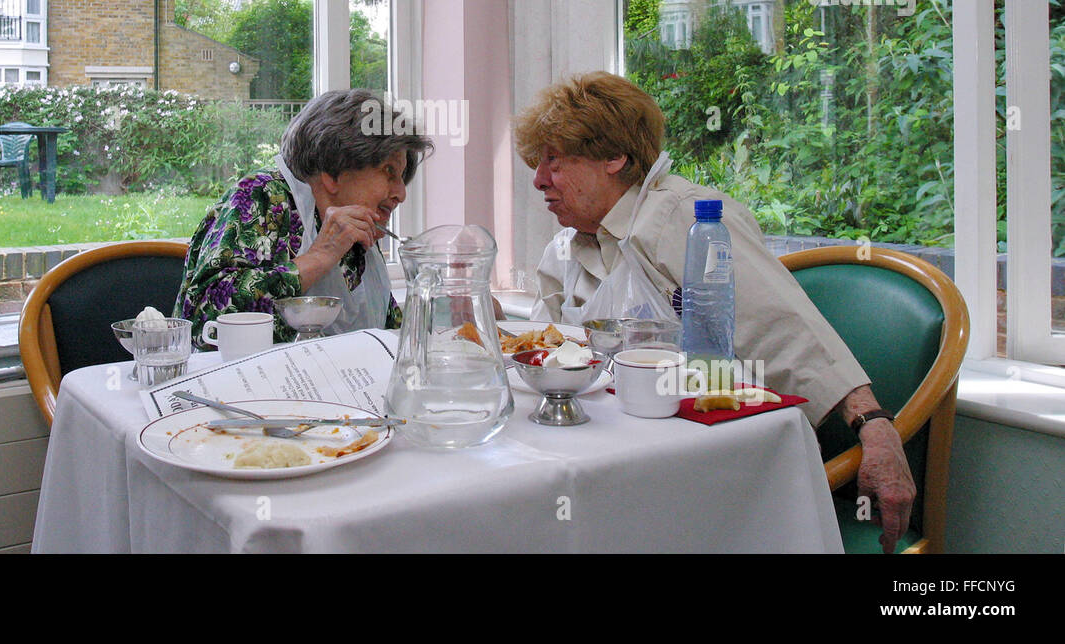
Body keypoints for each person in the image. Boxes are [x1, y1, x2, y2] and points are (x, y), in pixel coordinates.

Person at [514, 71, 917, 553]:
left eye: (554, 161)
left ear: (614, 159)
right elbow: (539, 354)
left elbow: (785, 329)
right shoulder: (569, 247)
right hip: (618, 454)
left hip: (706, 469)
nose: (539, 180)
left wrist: (874, 426)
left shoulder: (682, 217)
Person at [174, 90, 432, 347]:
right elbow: (202, 320)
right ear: (333, 171)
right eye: (389, 172)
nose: (401, 194)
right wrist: (320, 256)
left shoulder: (357, 234)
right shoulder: (262, 196)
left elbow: (387, 333)